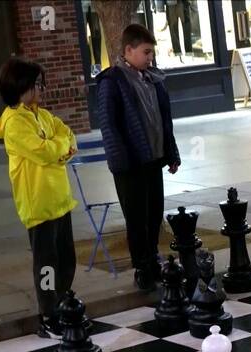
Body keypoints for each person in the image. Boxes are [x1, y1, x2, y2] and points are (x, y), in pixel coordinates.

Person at [0, 57, 79, 338]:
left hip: (60, 199)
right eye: (36, 84)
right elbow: (43, 151)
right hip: (38, 204)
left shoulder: (42, 115)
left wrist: (60, 147)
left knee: (67, 259)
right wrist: (59, 148)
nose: (41, 89)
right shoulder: (15, 123)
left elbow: (68, 136)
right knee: (47, 264)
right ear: (20, 87)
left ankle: (63, 304)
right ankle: (49, 314)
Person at [96, 23, 181, 292]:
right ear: (129, 50)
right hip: (130, 164)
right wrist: (122, 162)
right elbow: (109, 125)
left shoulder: (152, 79)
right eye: (146, 52)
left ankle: (153, 258)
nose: (150, 57)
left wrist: (171, 153)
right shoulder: (112, 81)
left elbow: (164, 120)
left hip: (153, 158)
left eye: (151, 52)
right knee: (137, 218)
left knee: (154, 214)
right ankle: (142, 266)